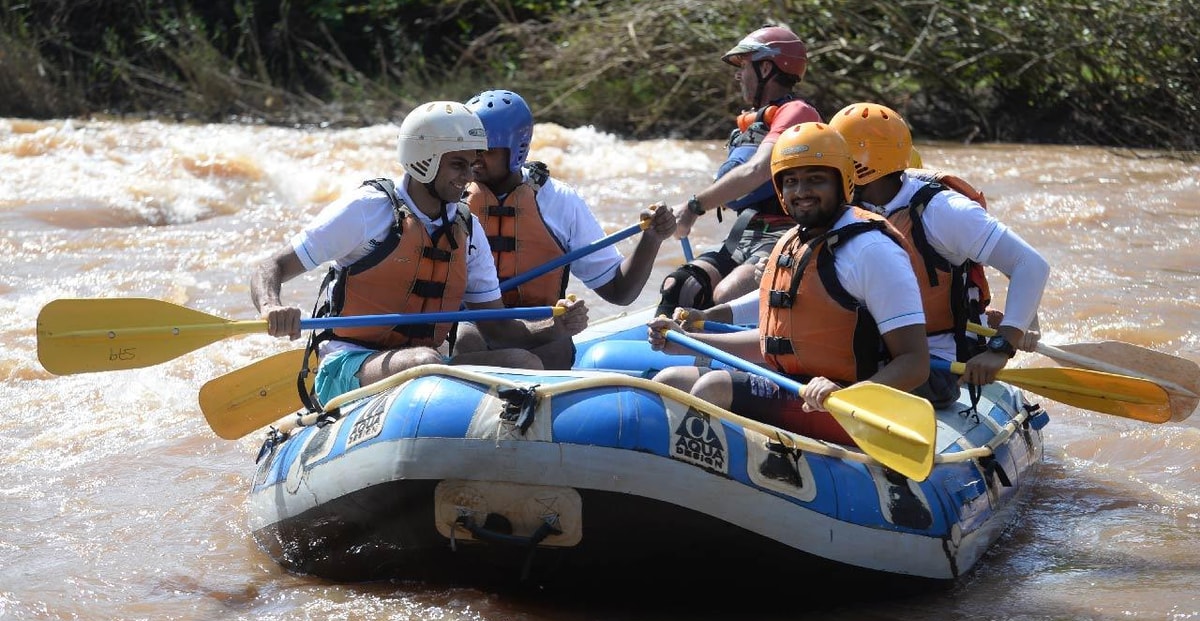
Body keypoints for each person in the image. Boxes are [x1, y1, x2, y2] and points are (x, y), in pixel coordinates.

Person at [251, 101, 589, 405]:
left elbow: (500, 330)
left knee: (522, 363)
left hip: (427, 364)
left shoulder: (467, 229)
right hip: (350, 363)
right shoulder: (367, 210)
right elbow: (272, 265)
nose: (469, 178)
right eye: (458, 164)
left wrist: (557, 327)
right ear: (423, 159)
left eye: (472, 165)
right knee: (423, 361)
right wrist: (271, 306)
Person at [648, 122, 930, 444]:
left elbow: (915, 363)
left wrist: (850, 394)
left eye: (815, 179)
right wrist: (686, 339)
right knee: (669, 380)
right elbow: (774, 343)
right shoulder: (792, 242)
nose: (801, 191)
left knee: (713, 388)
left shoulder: (872, 250)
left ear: (843, 181)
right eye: (791, 181)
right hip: (792, 385)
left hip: (848, 404)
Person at [827, 102, 1049, 392]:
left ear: (858, 162)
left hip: (936, 358)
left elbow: (1030, 264)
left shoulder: (943, 210)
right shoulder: (840, 207)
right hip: (866, 351)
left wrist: (1002, 345)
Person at [453, 89, 676, 369]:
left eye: (486, 150)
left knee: (553, 349)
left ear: (515, 150)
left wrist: (651, 239)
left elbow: (620, 291)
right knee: (467, 337)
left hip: (544, 326)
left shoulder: (559, 200)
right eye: (470, 149)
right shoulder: (451, 195)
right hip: (478, 323)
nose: (474, 159)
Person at [655, 24, 822, 317]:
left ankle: (713, 359)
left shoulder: (798, 113)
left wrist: (694, 207)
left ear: (767, 68)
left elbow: (758, 170)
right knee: (680, 285)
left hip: (786, 236)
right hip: (747, 234)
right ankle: (661, 354)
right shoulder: (756, 123)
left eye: (744, 66)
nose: (738, 75)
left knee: (726, 295)